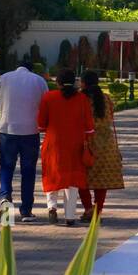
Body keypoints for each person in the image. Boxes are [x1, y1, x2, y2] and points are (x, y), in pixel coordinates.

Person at [0, 58, 49, 223]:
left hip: (7, 129)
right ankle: (26, 210)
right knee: (28, 171)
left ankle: (5, 199)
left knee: (6, 167)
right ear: (31, 68)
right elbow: (45, 105)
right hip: (30, 130)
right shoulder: (38, 80)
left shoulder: (4, 78)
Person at [37, 68, 94, 227]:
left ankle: (52, 208)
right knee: (72, 179)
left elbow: (41, 125)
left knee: (52, 175)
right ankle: (70, 216)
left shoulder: (49, 97)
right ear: (75, 81)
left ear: (58, 82)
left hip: (53, 144)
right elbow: (89, 127)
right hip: (75, 144)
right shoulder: (82, 98)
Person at [78, 70, 125, 221]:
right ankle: (97, 211)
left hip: (86, 142)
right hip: (106, 144)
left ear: (83, 83)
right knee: (101, 181)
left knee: (82, 177)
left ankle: (88, 209)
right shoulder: (106, 98)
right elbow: (111, 117)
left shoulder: (80, 98)